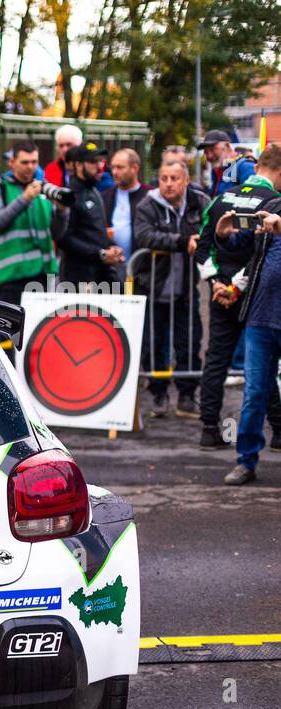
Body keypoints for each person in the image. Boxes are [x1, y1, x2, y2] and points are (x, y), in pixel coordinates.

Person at [197, 143, 281, 450]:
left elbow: (202, 246)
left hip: (220, 291)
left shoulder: (220, 198)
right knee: (263, 362)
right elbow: (262, 254)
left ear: (257, 168)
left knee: (216, 359)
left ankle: (208, 428)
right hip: (256, 293)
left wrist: (217, 284)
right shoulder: (275, 201)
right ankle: (279, 431)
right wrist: (237, 287)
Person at [133, 158, 208, 419]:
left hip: (186, 288)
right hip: (153, 287)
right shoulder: (147, 204)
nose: (168, 184)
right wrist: (181, 241)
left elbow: (208, 233)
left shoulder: (200, 203)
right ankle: (158, 394)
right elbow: (143, 236)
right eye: (164, 178)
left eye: (174, 178)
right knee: (153, 345)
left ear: (186, 180)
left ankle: (187, 397)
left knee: (189, 341)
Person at [222, 200, 281, 485]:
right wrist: (224, 235)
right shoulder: (272, 205)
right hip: (260, 318)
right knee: (254, 393)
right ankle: (246, 461)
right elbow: (245, 254)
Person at [0, 141, 66, 305]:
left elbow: (57, 233)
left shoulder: (43, 187)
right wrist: (24, 199)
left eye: (34, 162)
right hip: (12, 275)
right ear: (12, 162)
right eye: (25, 162)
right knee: (15, 330)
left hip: (44, 273)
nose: (30, 167)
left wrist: (61, 211)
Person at [57, 143, 125, 288]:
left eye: (100, 161)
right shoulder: (69, 195)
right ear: (79, 165)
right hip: (79, 278)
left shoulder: (94, 191)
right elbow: (64, 238)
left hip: (102, 275)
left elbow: (98, 230)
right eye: (93, 161)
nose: (99, 166)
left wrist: (111, 247)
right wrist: (99, 254)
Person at [102, 148, 152, 265]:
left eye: (120, 167)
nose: (114, 172)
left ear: (134, 168)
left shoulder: (149, 196)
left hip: (141, 269)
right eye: (112, 167)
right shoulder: (105, 196)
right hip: (111, 270)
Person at [200, 130, 256, 197]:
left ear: (227, 146)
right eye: (206, 152)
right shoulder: (217, 170)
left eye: (213, 149)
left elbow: (253, 197)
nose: (209, 156)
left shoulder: (244, 166)